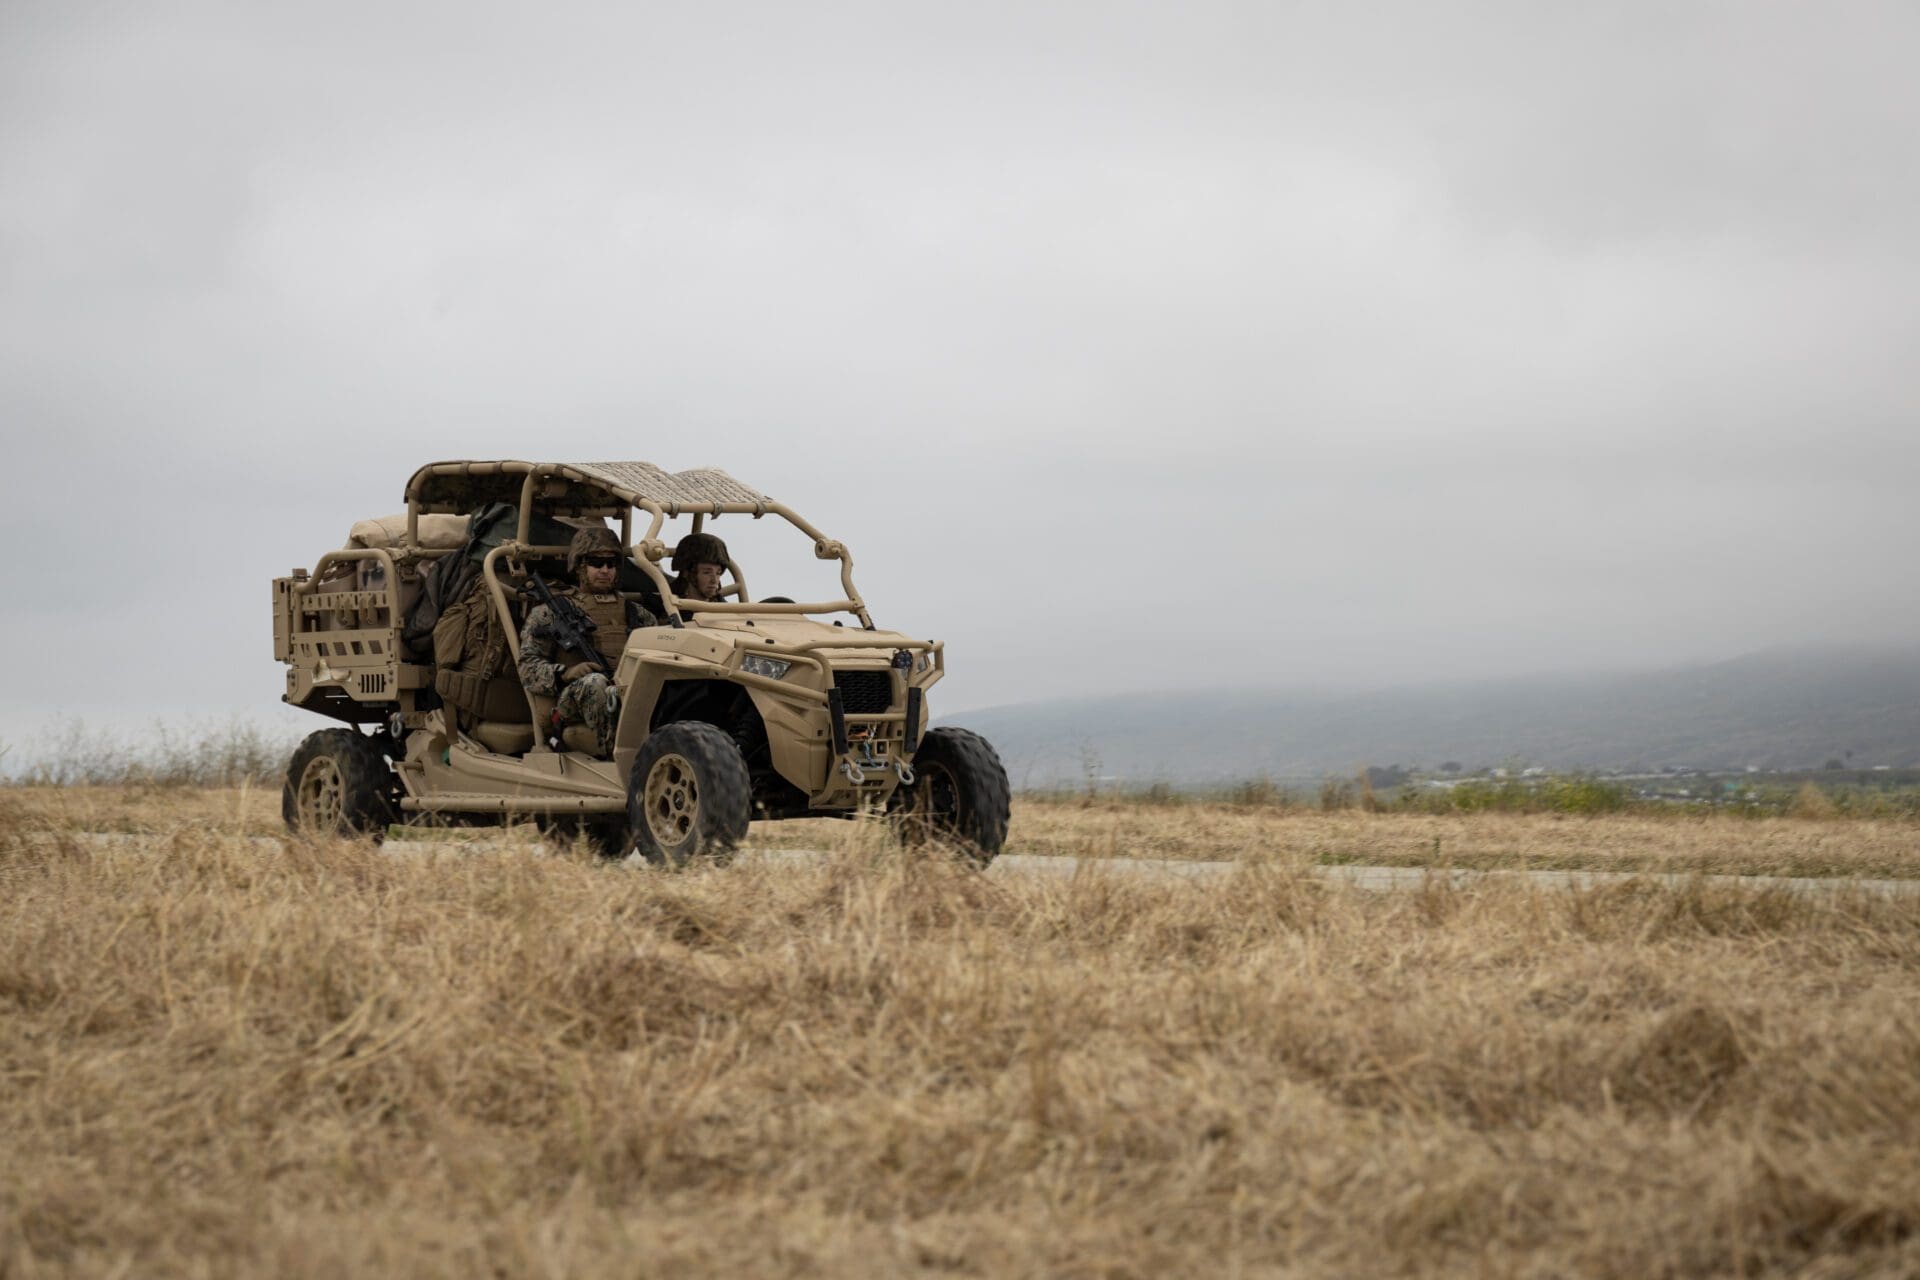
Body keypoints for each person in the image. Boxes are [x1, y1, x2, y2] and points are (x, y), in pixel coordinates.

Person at [517, 527, 658, 755]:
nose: (605, 570)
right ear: (581, 566)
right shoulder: (551, 613)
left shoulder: (638, 615)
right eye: (596, 563)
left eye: (611, 564)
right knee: (595, 683)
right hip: (573, 698)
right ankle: (615, 758)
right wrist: (565, 673)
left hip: (627, 691)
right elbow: (527, 666)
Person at [670, 531, 731, 607]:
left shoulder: (725, 609)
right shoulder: (667, 607)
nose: (714, 580)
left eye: (718, 573)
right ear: (687, 573)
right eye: (706, 572)